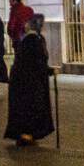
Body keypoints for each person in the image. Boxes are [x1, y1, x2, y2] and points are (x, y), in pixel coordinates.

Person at [4, 14, 55, 146]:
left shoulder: (33, 39)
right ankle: (25, 133)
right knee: (30, 106)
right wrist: (49, 70)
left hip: (27, 81)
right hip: (27, 82)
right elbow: (35, 62)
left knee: (31, 106)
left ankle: (29, 133)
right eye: (42, 24)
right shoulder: (32, 41)